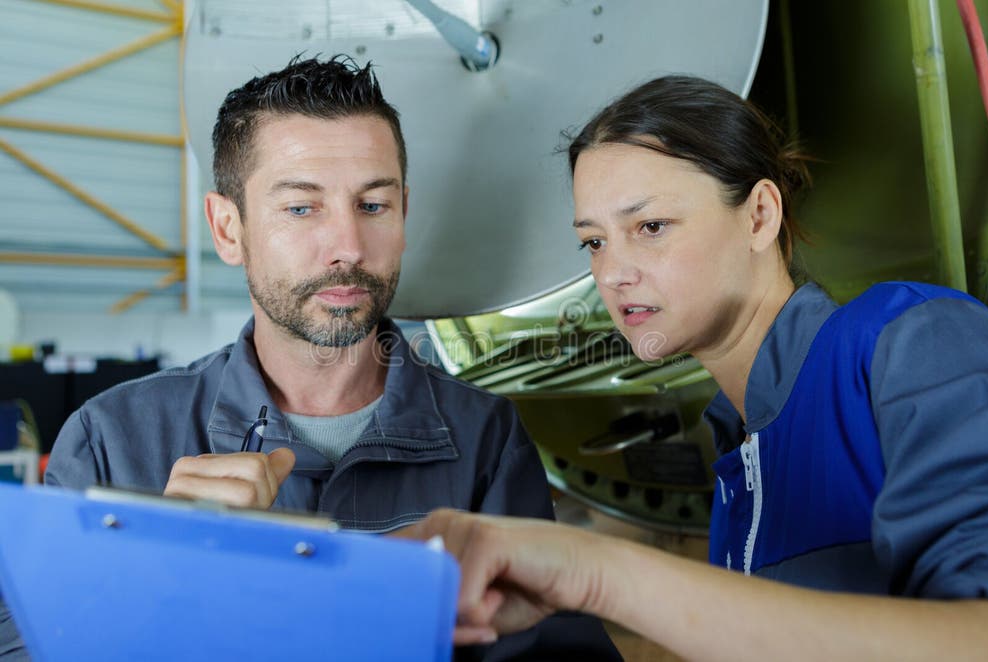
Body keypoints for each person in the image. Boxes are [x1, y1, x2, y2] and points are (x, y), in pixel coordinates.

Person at [0, 56, 621, 661]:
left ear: (403, 212)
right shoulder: (111, 440)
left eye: (372, 205)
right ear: (227, 229)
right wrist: (156, 579)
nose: (347, 247)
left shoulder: (485, 438)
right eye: (301, 208)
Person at [401, 75, 988, 659]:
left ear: (760, 215)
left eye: (650, 227)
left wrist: (598, 572)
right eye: (594, 242)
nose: (611, 274)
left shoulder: (913, 339)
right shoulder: (738, 465)